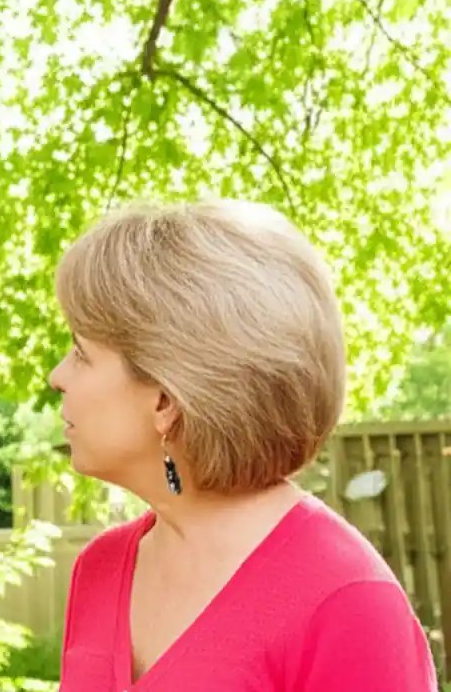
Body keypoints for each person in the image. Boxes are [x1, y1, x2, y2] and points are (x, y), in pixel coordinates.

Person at [48, 200, 438, 691]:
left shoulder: (347, 603)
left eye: (81, 353)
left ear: (167, 399)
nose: (57, 376)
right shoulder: (99, 569)